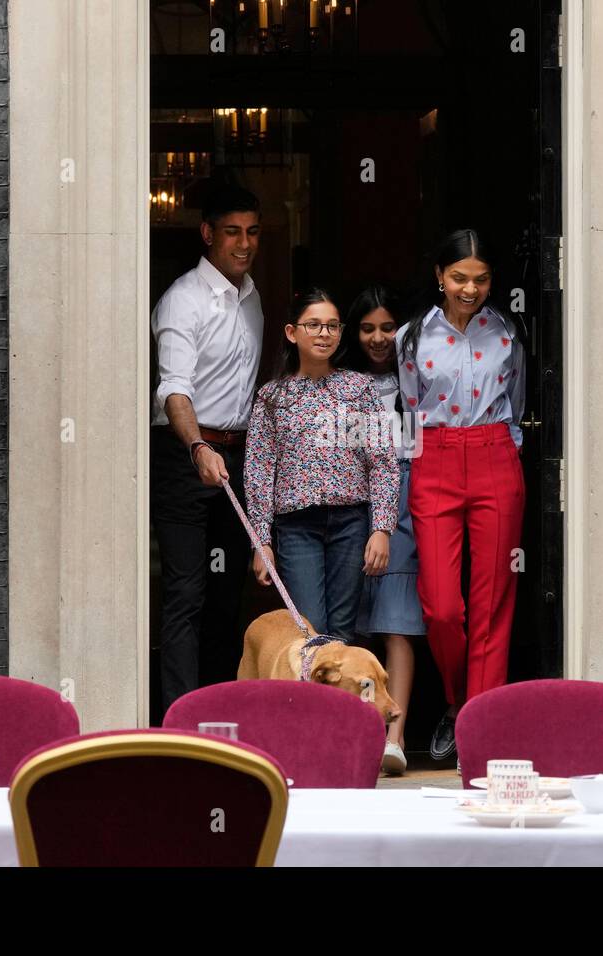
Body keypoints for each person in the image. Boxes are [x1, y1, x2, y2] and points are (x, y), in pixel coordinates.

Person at [397, 229, 528, 768]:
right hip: (435, 457)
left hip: (495, 452)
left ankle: (480, 718)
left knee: (494, 599)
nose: (470, 288)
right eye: (459, 278)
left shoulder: (510, 333)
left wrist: (506, 452)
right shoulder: (412, 338)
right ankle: (456, 701)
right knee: (443, 605)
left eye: (480, 279)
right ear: (439, 277)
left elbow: (516, 404)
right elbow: (408, 412)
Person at [151, 184, 264, 716]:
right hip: (184, 457)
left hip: (237, 459)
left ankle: (219, 715)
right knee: (185, 594)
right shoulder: (183, 299)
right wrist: (196, 445)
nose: (244, 243)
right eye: (232, 232)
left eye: (252, 232)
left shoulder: (252, 297)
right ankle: (179, 715)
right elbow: (174, 386)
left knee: (227, 594)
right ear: (208, 234)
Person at [244, 289, 399, 644]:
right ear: (291, 332)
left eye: (332, 326)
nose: (323, 333)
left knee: (344, 630)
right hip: (296, 527)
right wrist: (261, 541)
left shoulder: (358, 389)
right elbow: (259, 471)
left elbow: (382, 461)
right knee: (308, 629)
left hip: (351, 523)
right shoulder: (273, 397)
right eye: (313, 325)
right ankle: (313, 701)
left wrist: (382, 528)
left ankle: (338, 702)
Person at [345, 283, 426, 774]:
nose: (378, 338)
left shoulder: (419, 378)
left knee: (398, 622)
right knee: (352, 626)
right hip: (351, 506)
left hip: (406, 503)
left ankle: (395, 738)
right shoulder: (338, 381)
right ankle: (356, 733)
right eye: (368, 328)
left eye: (388, 328)